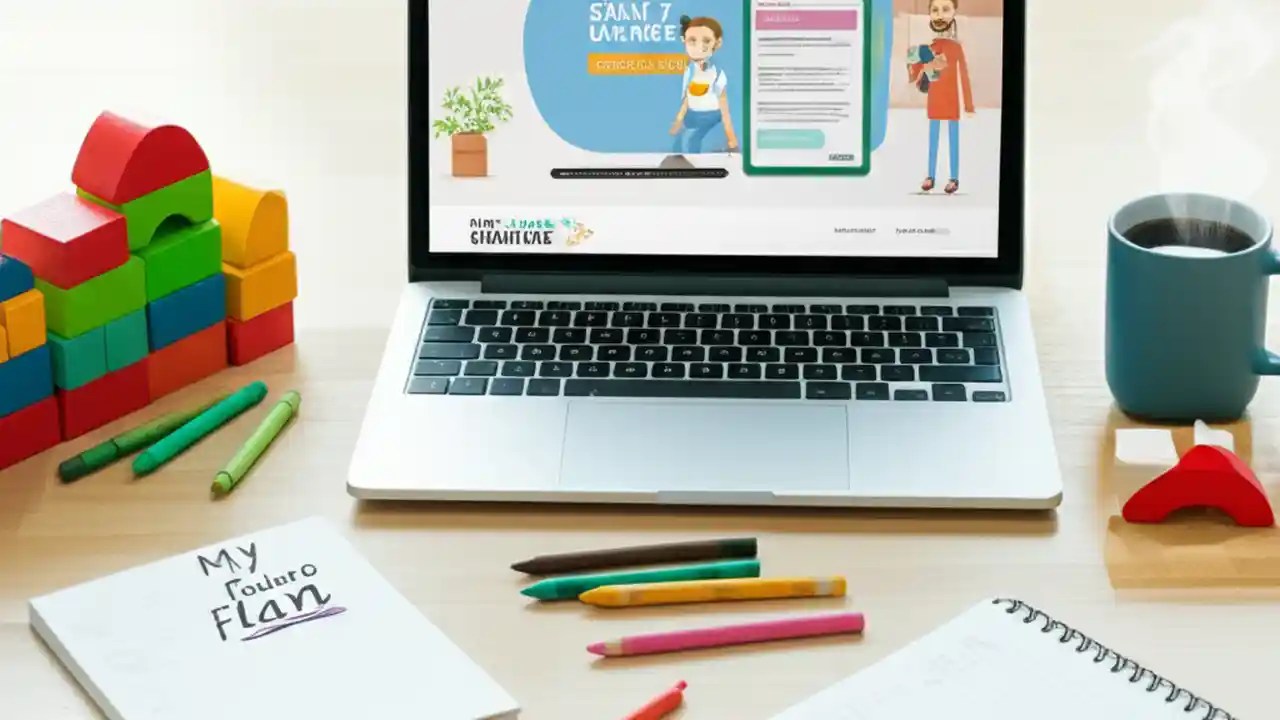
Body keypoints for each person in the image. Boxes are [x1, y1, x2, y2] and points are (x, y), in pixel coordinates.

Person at [908, 0, 975, 195]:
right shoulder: (929, 47)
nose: (939, 14)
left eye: (946, 9)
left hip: (952, 99)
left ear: (954, 12)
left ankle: (954, 178)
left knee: (953, 139)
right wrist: (915, 61)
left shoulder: (955, 48)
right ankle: (931, 176)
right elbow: (915, 74)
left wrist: (969, 105)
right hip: (935, 98)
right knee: (933, 138)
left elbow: (963, 74)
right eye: (935, 10)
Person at [669, 15, 738, 156]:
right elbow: (686, 98)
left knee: (691, 142)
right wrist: (679, 119)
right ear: (684, 41)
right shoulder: (689, 71)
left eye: (706, 41)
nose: (699, 47)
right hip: (692, 115)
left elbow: (724, 106)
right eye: (692, 41)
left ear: (717, 43)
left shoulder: (717, 74)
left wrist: (732, 138)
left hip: (711, 117)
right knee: (678, 146)